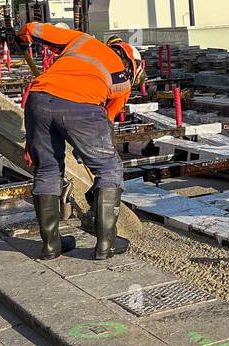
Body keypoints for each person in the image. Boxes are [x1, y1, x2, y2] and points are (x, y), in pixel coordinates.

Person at [15, 22, 144, 260]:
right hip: (82, 108)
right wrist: (86, 146)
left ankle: (51, 244)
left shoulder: (83, 41)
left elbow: (32, 29)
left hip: (38, 99)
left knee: (48, 169)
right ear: (133, 67)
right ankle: (106, 243)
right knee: (109, 168)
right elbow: (106, 121)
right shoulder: (123, 83)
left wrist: (23, 39)